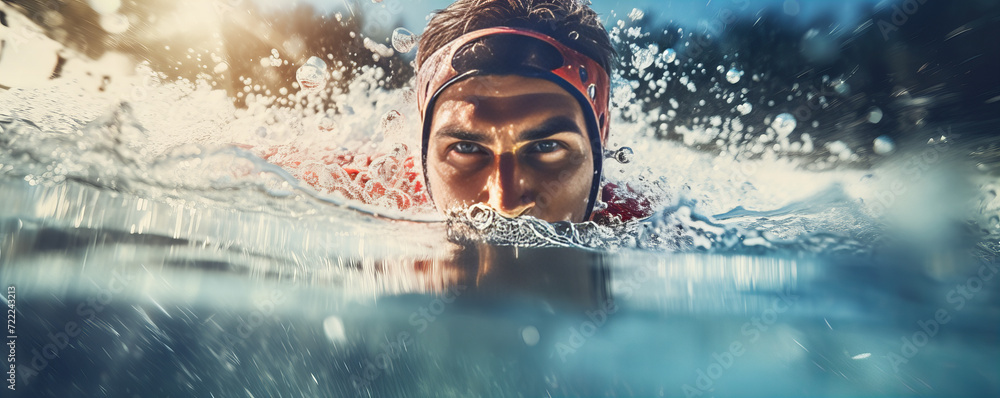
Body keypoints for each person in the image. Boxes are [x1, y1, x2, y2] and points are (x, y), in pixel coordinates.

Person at [261, 0, 652, 224]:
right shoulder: (359, 189)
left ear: (601, 135)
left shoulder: (643, 223)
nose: (505, 204)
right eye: (466, 149)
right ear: (422, 144)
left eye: (547, 147)